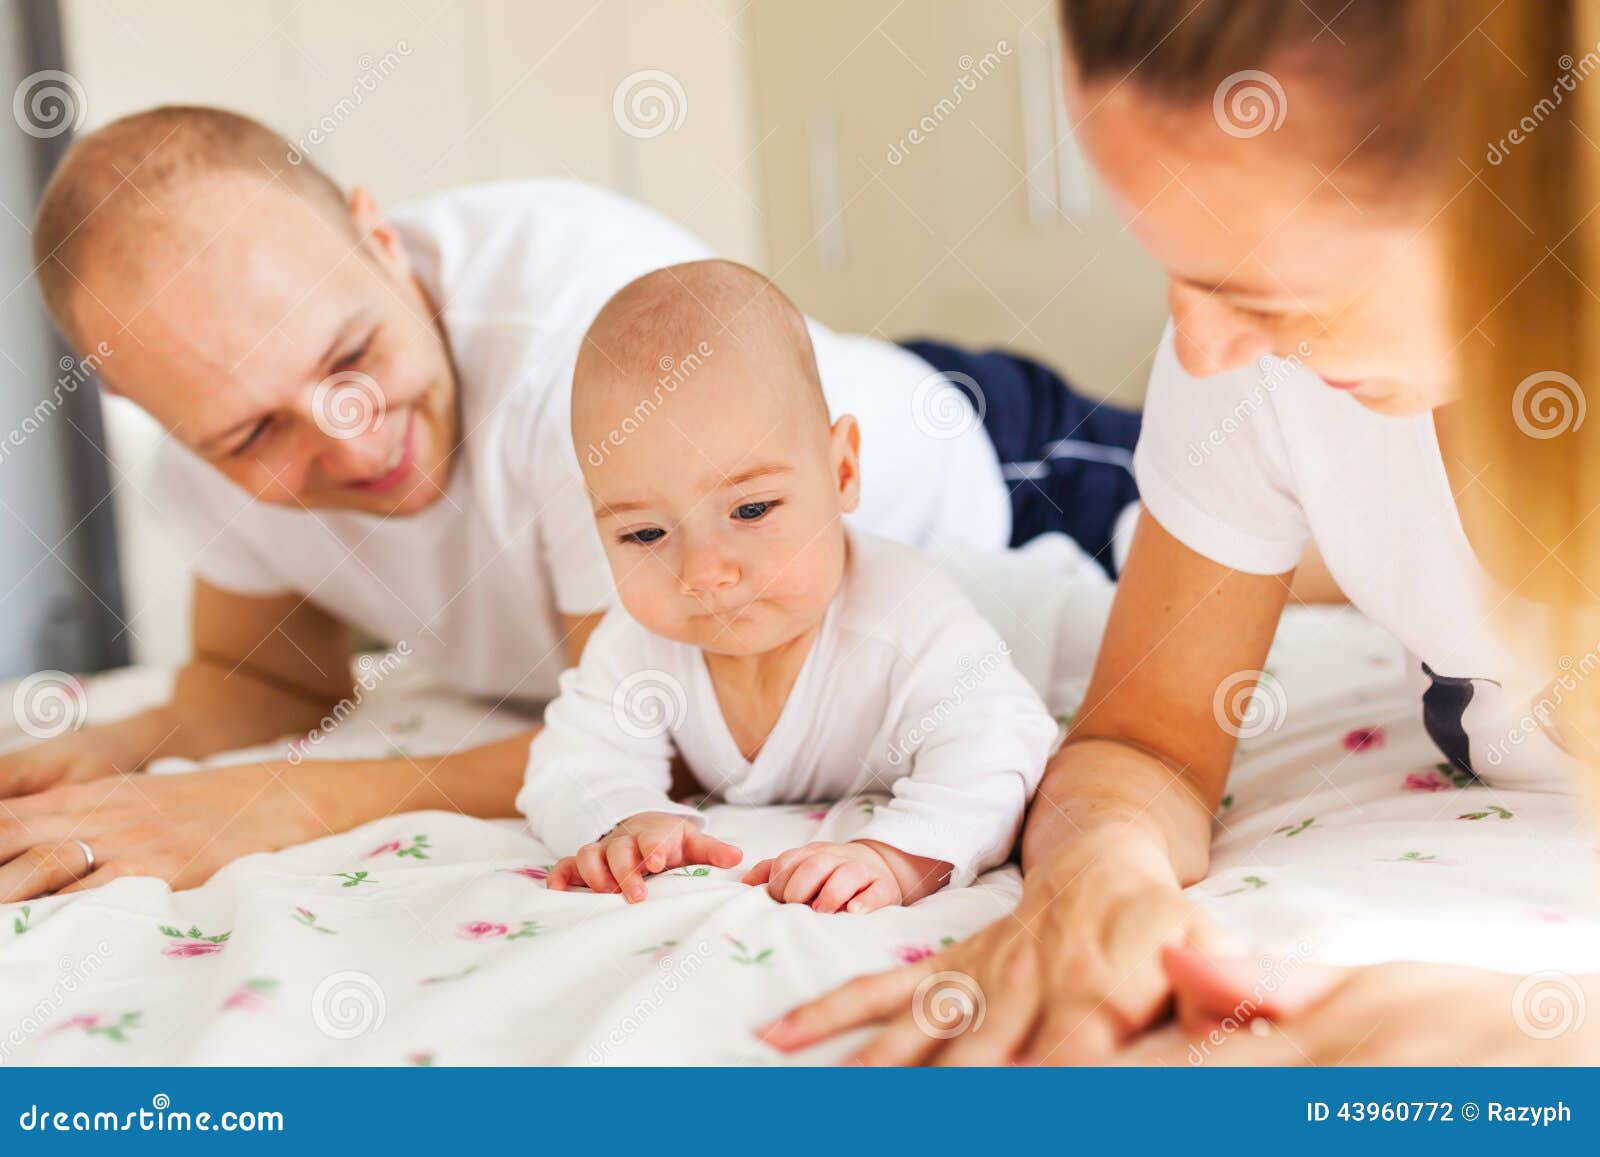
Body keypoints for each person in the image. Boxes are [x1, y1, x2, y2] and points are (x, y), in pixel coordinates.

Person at [0, 104, 1131, 902]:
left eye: (350, 353)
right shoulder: (203, 450)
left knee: (1256, 519)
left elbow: (672, 728)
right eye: (252, 433)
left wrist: (275, 804)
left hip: (1009, 477)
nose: (350, 440)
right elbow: (267, 680)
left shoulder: (572, 351)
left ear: (380, 238)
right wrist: (126, 745)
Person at [762, 0, 1600, 1064]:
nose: (1199, 351)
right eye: (1176, 265)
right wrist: (1098, 876)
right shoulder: (1251, 365)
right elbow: (1143, 740)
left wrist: (1535, 1024)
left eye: (1270, 290)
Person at [523, 261, 1058, 910]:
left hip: (1036, 591)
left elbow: (1001, 739)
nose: (703, 573)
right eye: (644, 535)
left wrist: (898, 854)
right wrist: (622, 818)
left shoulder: (908, 618)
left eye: (751, 511)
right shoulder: (636, 644)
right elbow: (574, 754)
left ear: (841, 472)